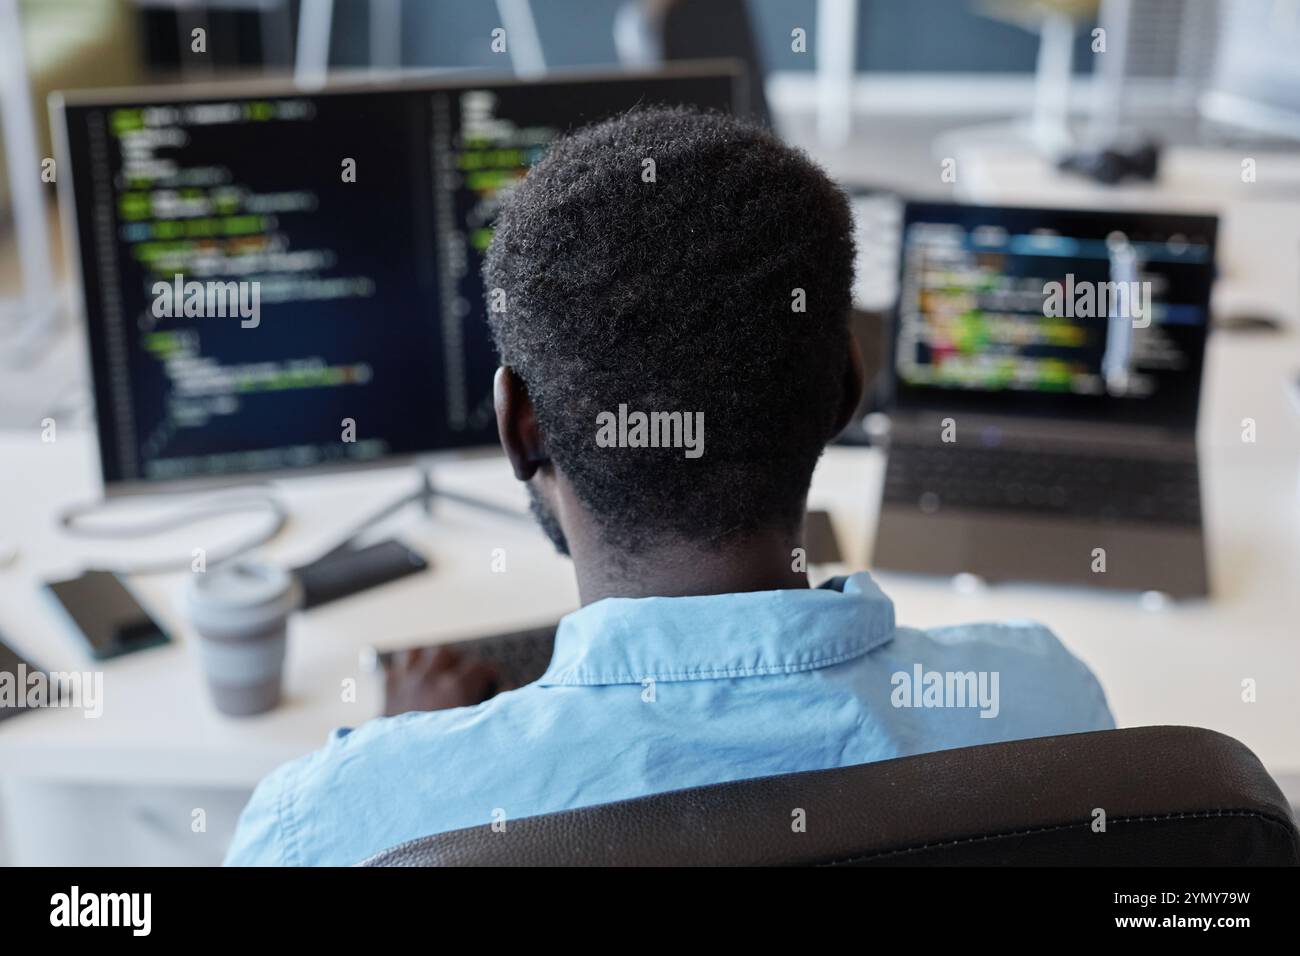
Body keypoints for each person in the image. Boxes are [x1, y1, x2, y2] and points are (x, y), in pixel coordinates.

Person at [226, 107, 1112, 866]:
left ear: (519, 427)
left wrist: (404, 754)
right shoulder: (1050, 708)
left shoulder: (335, 828)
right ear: (846, 388)